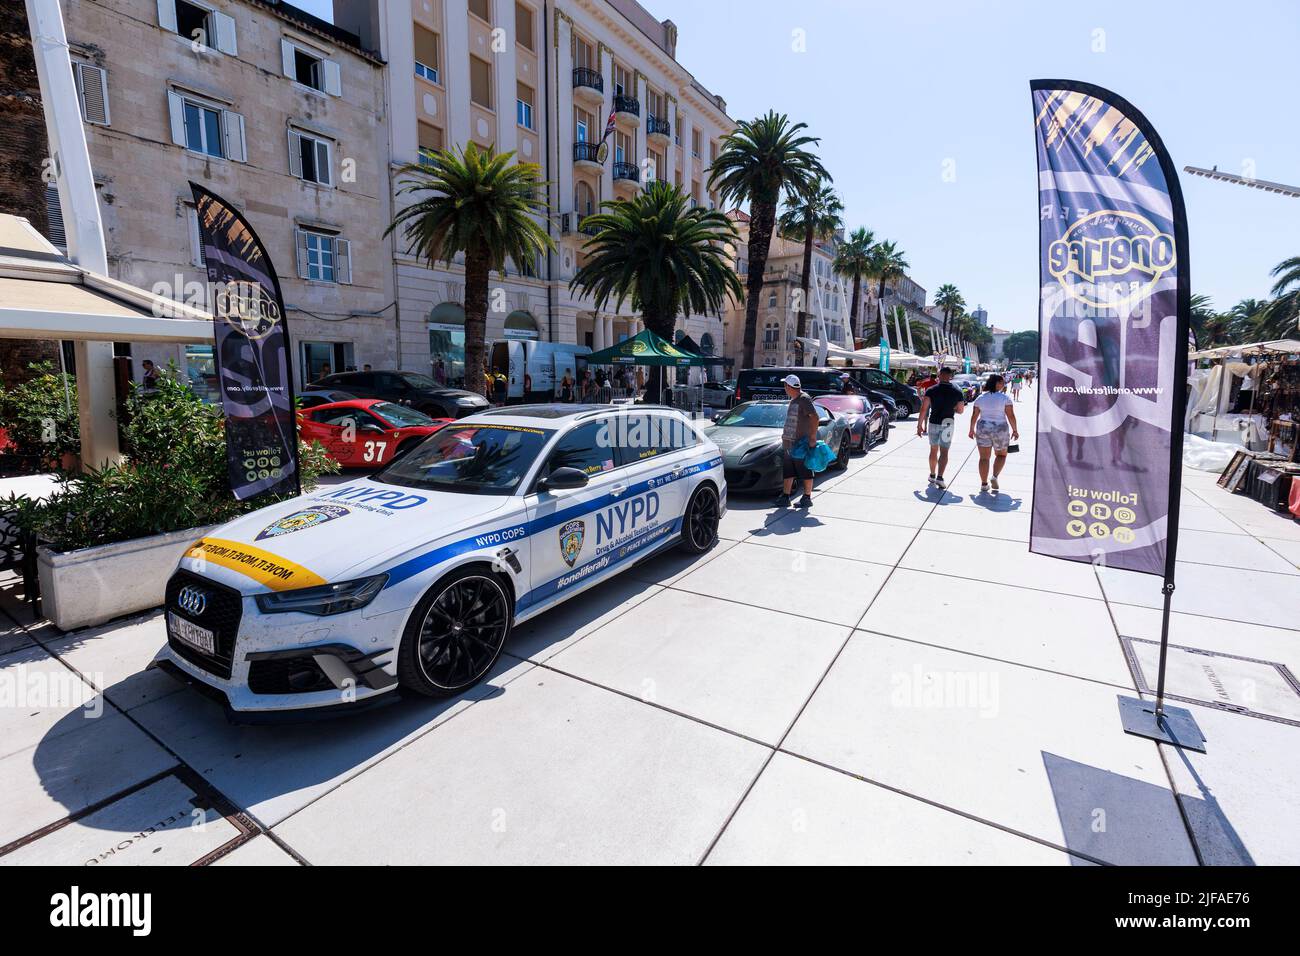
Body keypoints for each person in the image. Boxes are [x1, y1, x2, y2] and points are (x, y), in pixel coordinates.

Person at [969, 374, 1019, 495]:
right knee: (1001, 455)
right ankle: (995, 476)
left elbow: (974, 415)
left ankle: (984, 484)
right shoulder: (1005, 398)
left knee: (984, 458)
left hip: (983, 427)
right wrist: (1015, 430)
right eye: (1002, 382)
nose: (1003, 385)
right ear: (996, 383)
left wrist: (971, 429)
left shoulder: (980, 398)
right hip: (1000, 428)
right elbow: (1010, 415)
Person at [916, 366, 965, 490]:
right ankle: (940, 477)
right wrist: (952, 408)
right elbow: (960, 411)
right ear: (950, 376)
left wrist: (919, 425)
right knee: (944, 451)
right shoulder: (957, 391)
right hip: (948, 422)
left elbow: (924, 409)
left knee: (933, 450)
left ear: (939, 375)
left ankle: (932, 475)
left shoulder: (931, 390)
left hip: (933, 422)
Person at [777, 374, 819, 509]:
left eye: (785, 385)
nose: (784, 388)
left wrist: (812, 437)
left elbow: (815, 417)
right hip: (789, 443)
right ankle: (785, 497)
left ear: (788, 386)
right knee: (788, 471)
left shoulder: (804, 399)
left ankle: (807, 498)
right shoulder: (794, 399)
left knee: (805, 470)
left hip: (800, 443)